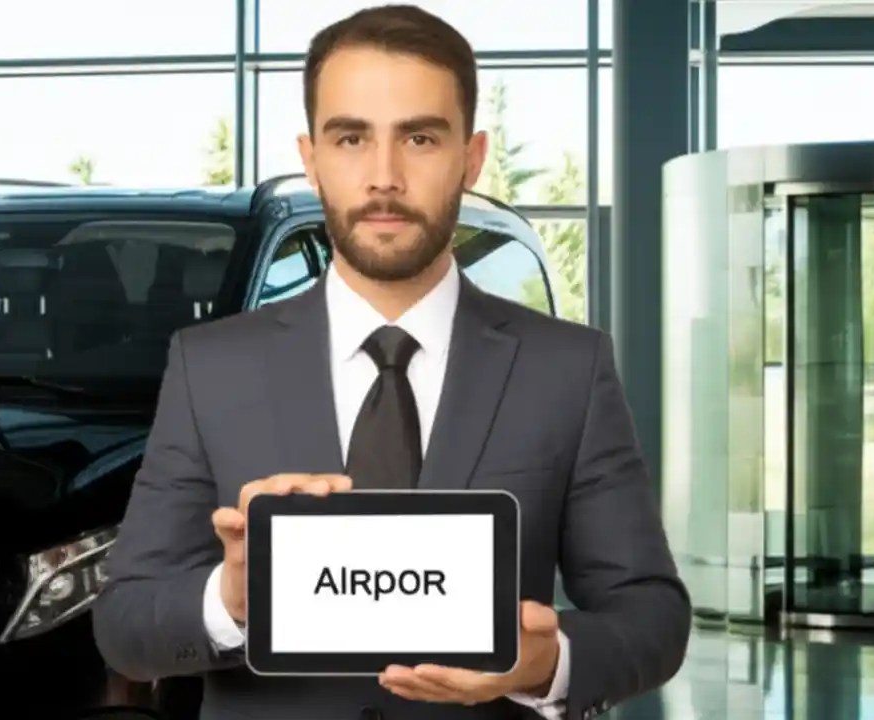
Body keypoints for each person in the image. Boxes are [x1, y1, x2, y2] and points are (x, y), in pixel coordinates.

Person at [92, 5, 692, 719]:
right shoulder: (210, 367)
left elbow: (652, 616)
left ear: (471, 158)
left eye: (420, 137)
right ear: (311, 158)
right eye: (351, 138)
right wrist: (230, 599)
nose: (384, 176)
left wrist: (546, 662)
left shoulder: (567, 368)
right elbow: (124, 625)